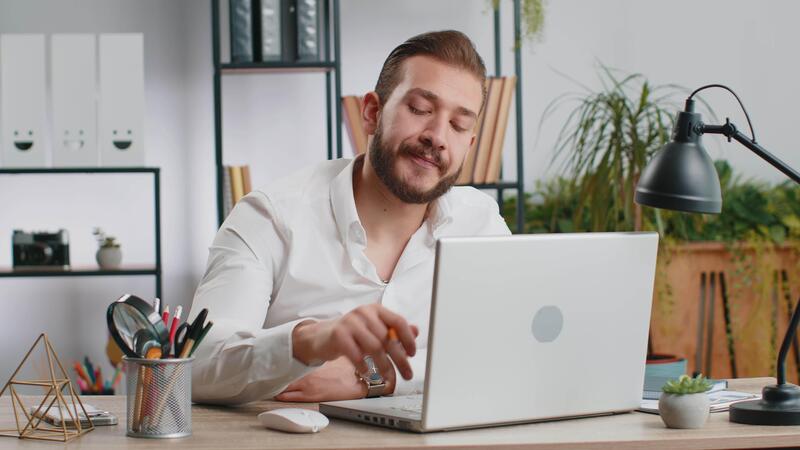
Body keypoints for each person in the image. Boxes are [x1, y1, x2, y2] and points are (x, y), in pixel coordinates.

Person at [189, 30, 511, 405]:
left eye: (458, 125)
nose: (437, 136)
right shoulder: (270, 216)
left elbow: (512, 352)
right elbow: (196, 364)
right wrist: (309, 341)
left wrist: (379, 375)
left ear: (469, 145)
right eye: (420, 109)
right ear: (372, 113)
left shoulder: (481, 224)